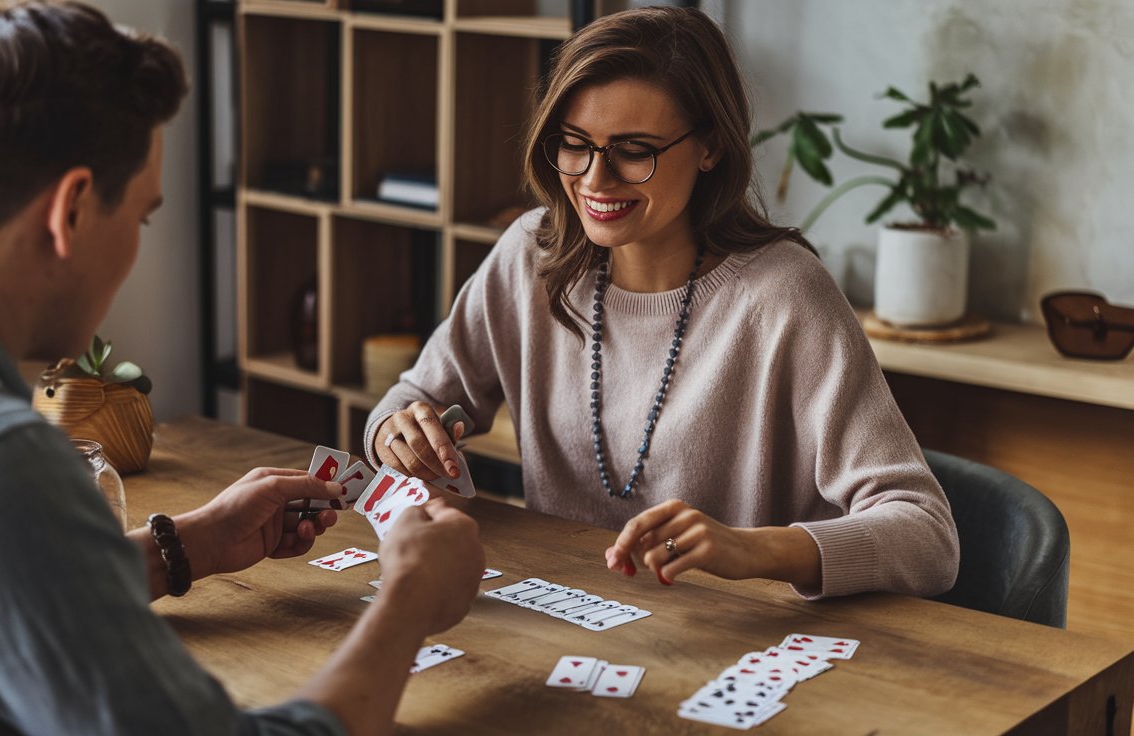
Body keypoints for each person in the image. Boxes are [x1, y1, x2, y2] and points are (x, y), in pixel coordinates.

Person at [0, 3, 483, 734]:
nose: (137, 247)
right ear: (71, 210)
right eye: (142, 217)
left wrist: (182, 547)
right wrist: (409, 601)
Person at [364, 6, 958, 599]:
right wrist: (396, 432)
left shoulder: (785, 296)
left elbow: (928, 535)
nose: (595, 180)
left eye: (634, 150)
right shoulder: (531, 255)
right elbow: (410, 401)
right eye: (574, 144)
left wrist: (753, 548)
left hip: (733, 641)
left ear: (711, 147)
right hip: (567, 613)